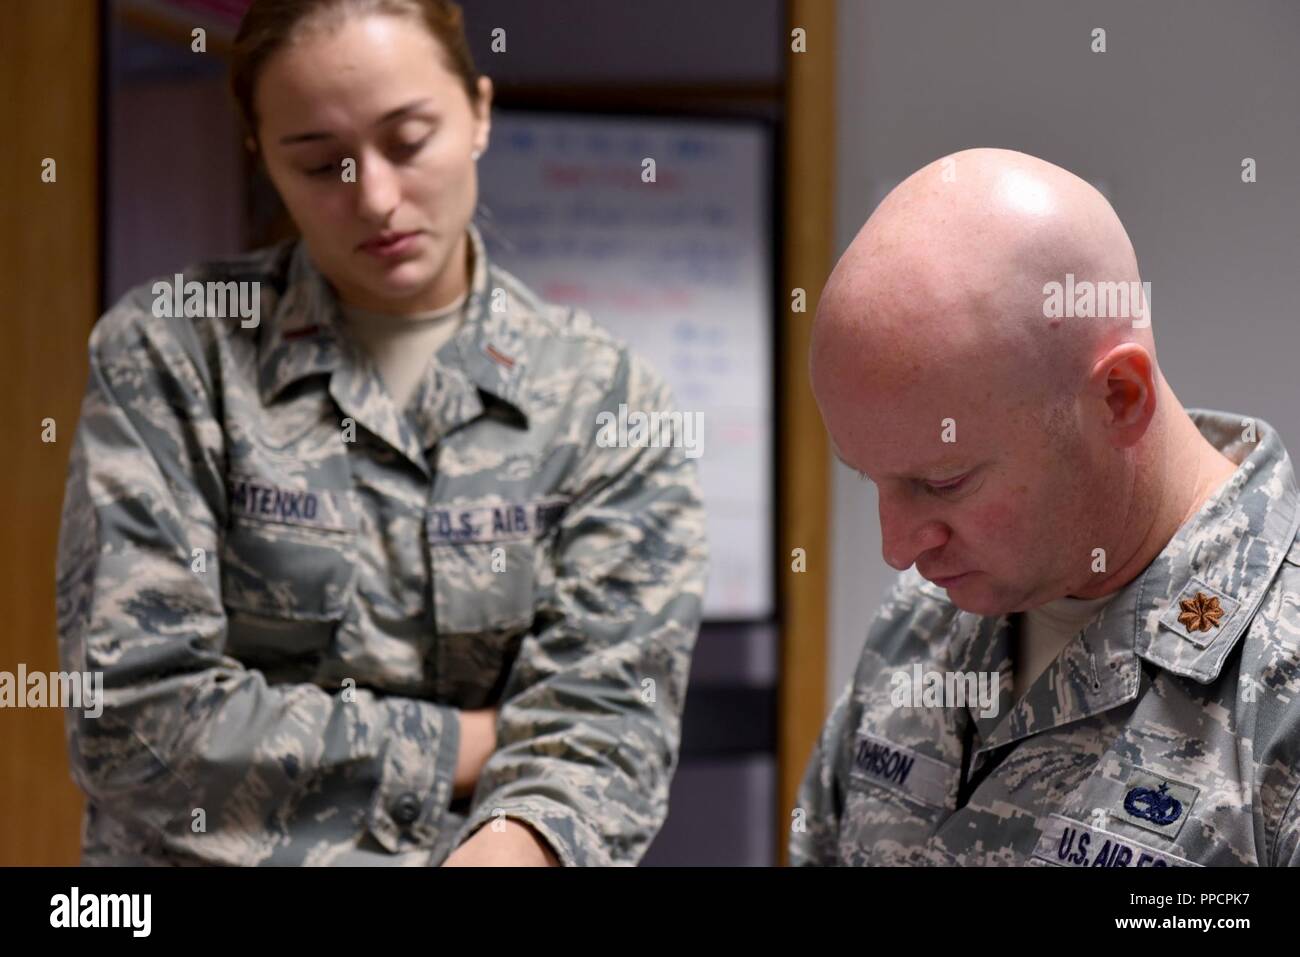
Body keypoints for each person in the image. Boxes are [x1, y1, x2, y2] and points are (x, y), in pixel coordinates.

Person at [55, 0, 707, 867]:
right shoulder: (171, 354)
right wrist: (467, 744)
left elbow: (608, 731)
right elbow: (131, 721)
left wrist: (512, 836)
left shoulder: (607, 403)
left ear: (478, 109)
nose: (378, 199)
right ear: (261, 155)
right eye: (322, 164)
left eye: (408, 142)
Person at [793, 147, 1300, 866]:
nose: (898, 548)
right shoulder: (922, 621)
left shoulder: (1278, 685)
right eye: (866, 477)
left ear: (1119, 397)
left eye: (942, 482)